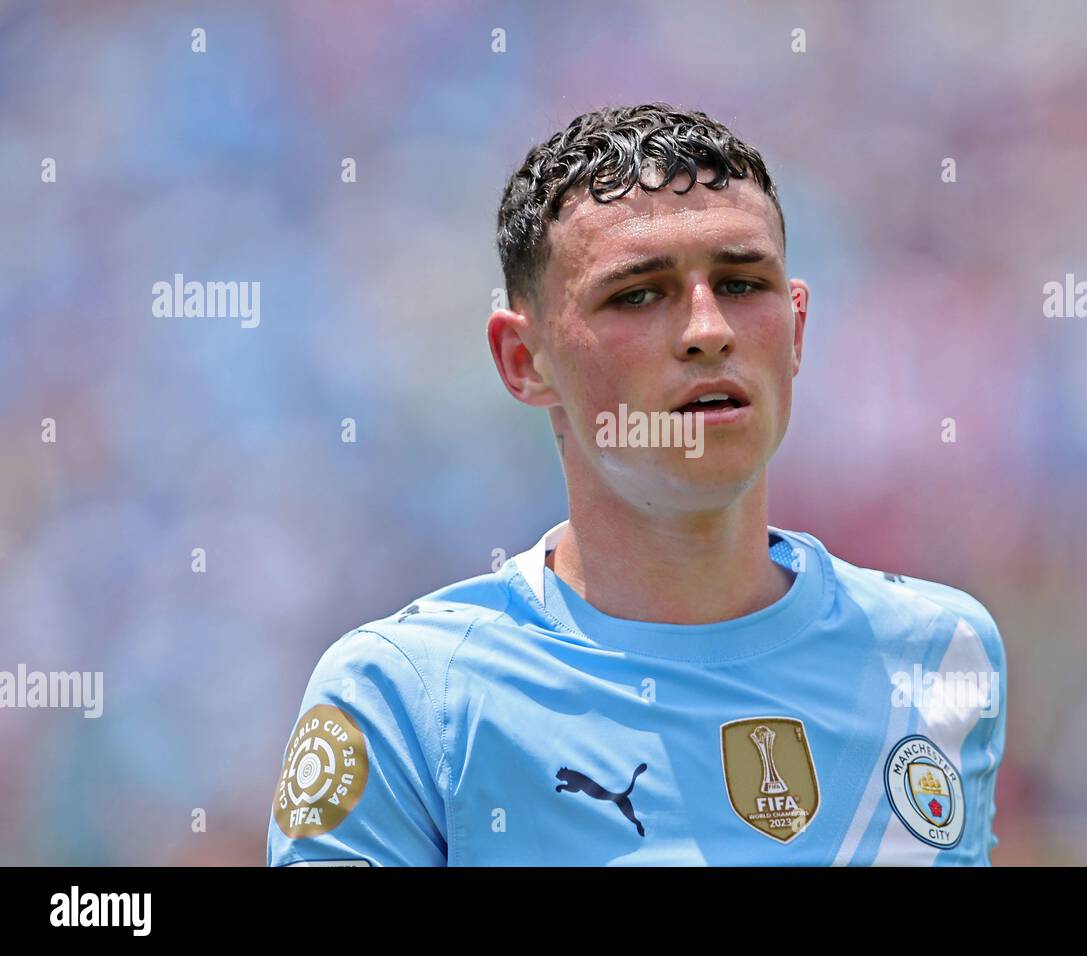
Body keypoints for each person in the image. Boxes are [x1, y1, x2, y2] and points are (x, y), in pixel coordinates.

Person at [267, 102, 1007, 866]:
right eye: (637, 294)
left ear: (796, 328)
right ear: (525, 360)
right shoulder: (405, 698)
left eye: (743, 283)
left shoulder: (941, 650)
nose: (707, 329)